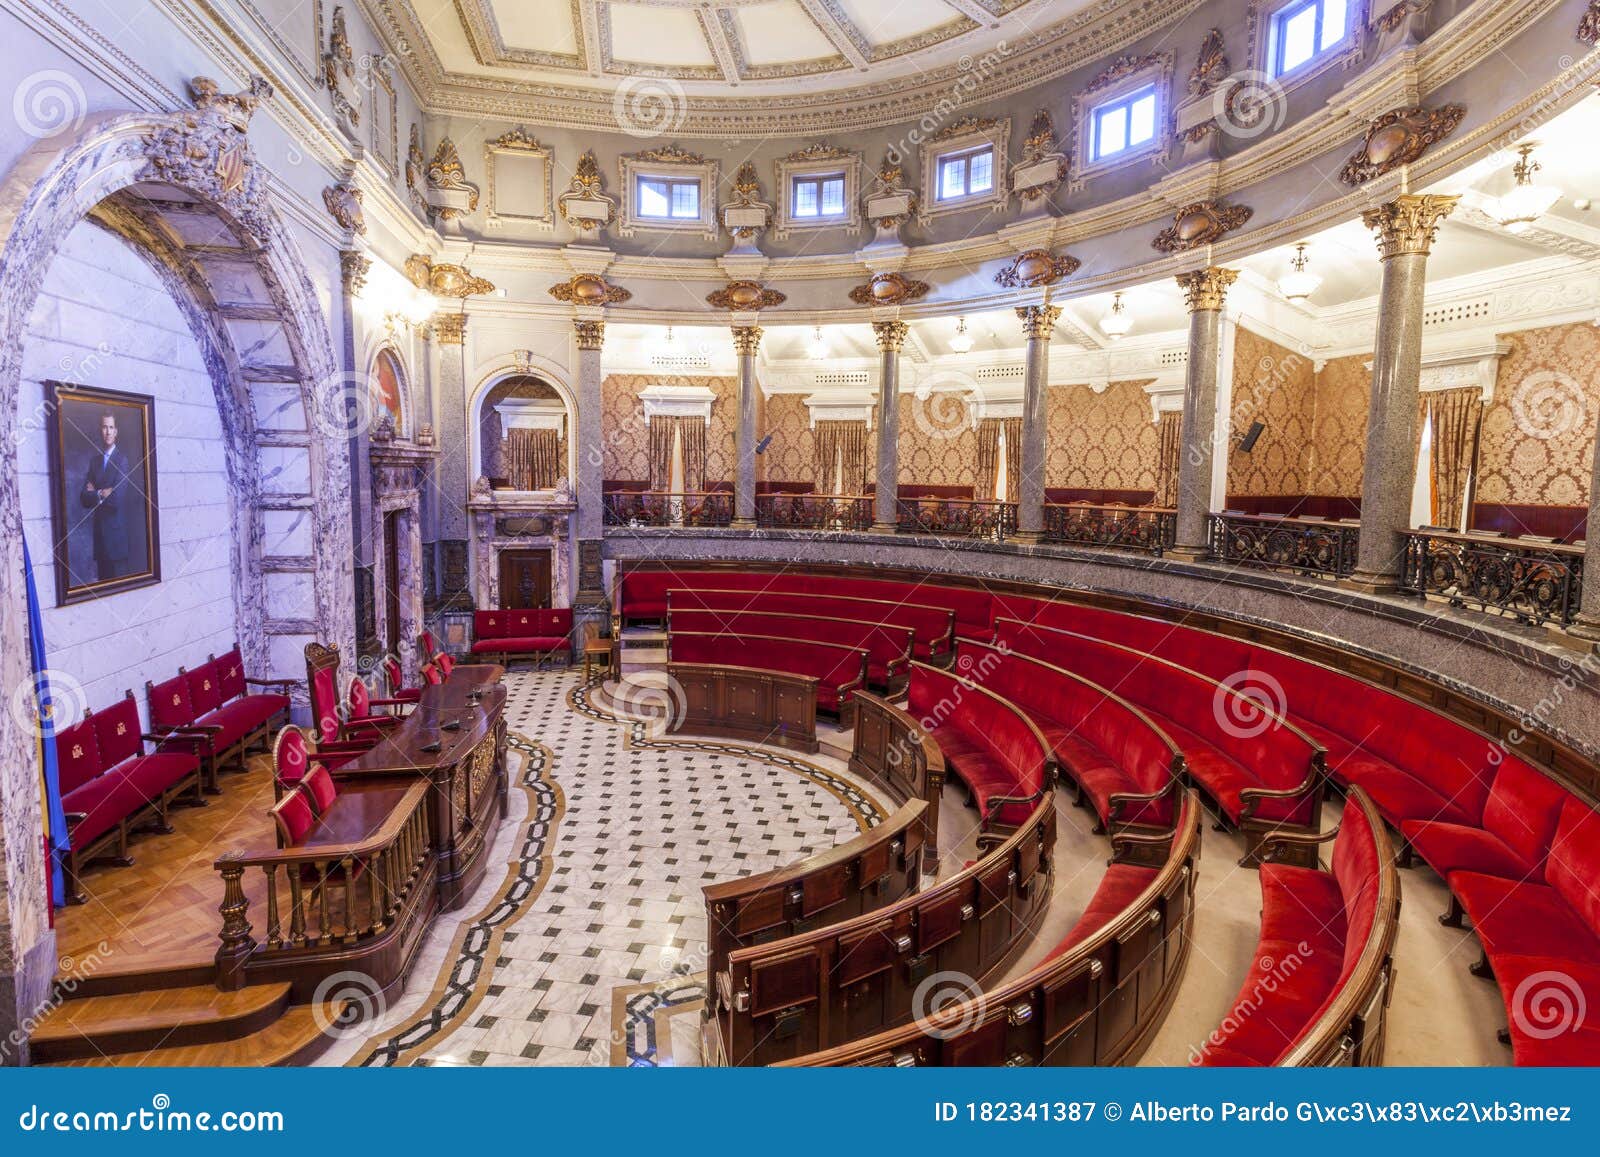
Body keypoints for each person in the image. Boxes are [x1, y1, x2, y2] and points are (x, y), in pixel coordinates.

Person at [79, 411, 137, 582]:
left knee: (119, 595)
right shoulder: (94, 462)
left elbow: (116, 500)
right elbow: (84, 498)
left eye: (111, 427)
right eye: (104, 427)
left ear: (116, 431)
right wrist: (101, 492)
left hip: (116, 542)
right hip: (100, 541)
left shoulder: (122, 461)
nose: (108, 432)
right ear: (100, 430)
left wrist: (94, 492)